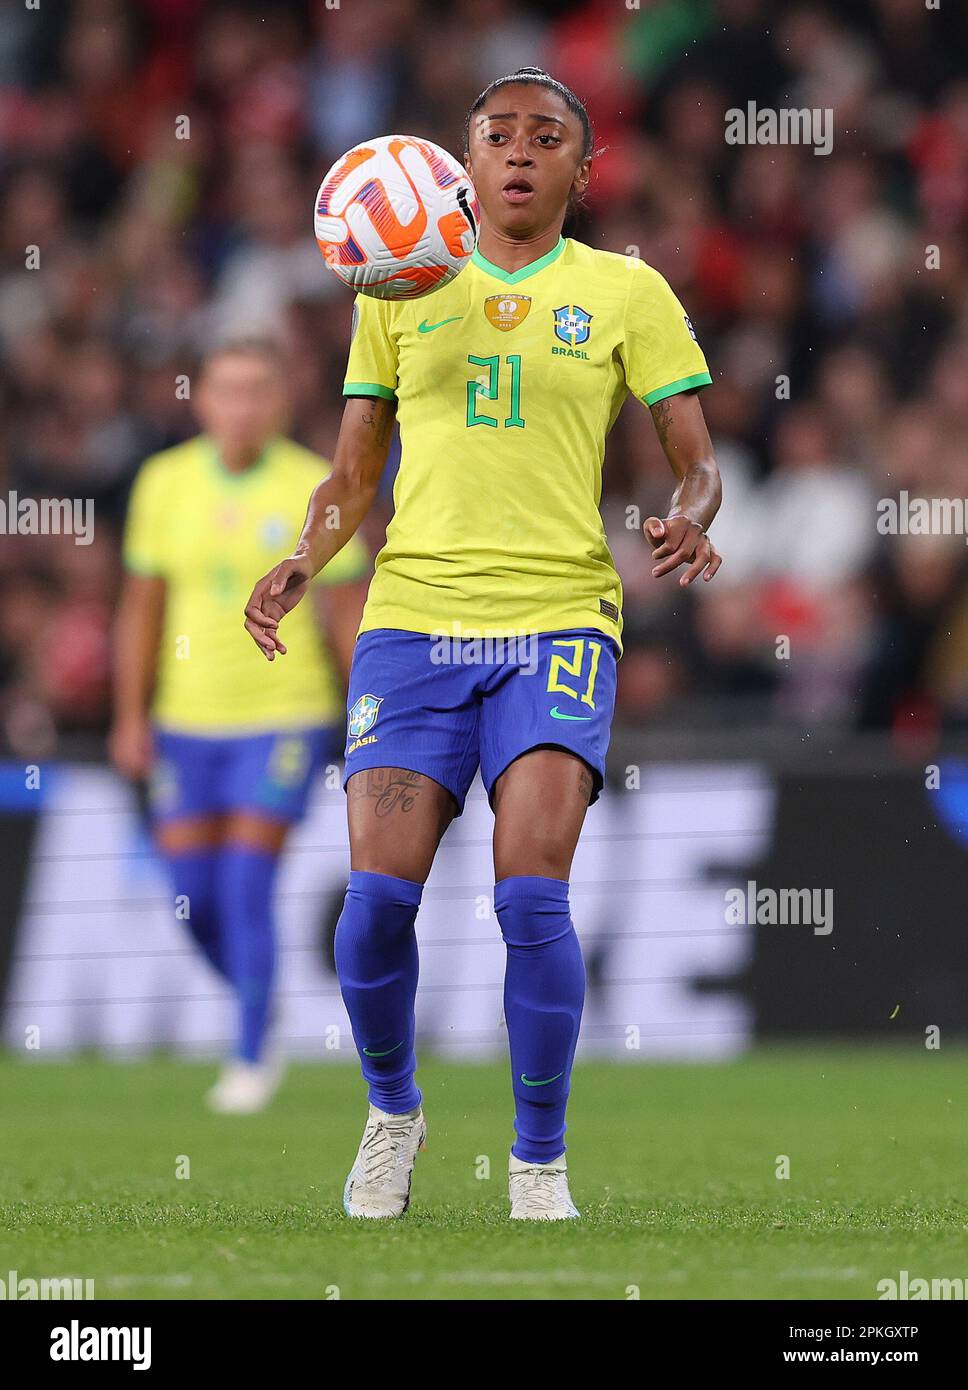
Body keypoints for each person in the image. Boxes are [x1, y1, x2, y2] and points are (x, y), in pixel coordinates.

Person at [244, 68, 723, 1216]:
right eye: (495, 134)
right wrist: (307, 553)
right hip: (412, 619)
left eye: (543, 136)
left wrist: (688, 521)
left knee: (532, 900)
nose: (517, 151)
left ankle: (538, 1160)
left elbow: (696, 459)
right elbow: (354, 473)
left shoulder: (625, 290)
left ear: (580, 168)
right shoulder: (397, 281)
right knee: (372, 905)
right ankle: (394, 1112)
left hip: (558, 615)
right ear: (461, 162)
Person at [111, 339, 368, 1113]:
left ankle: (250, 1051)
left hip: (282, 714)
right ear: (203, 400)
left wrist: (371, 714)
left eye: (260, 390)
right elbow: (141, 608)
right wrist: (130, 715)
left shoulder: (311, 487)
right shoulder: (164, 483)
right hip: (187, 719)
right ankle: (262, 1002)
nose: (244, 405)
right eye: (229, 390)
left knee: (245, 881)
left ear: (281, 401)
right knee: (191, 894)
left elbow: (345, 615)